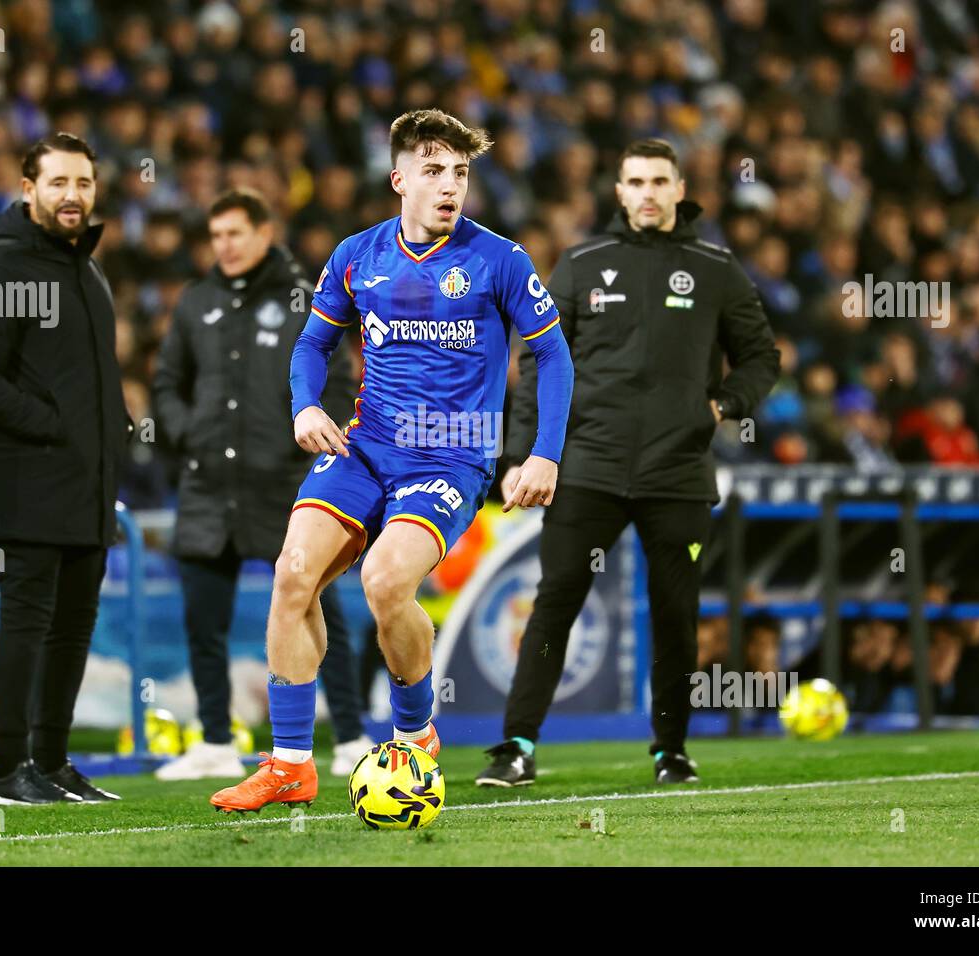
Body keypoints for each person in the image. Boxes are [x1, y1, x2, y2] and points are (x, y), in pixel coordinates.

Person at [210, 108, 574, 813]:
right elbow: (312, 344)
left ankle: (415, 733)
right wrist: (306, 407)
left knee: (383, 583)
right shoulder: (356, 255)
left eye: (461, 173)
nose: (450, 186)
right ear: (399, 179)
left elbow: (551, 353)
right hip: (366, 446)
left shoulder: (499, 259)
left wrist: (544, 455)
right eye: (434, 170)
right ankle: (290, 764)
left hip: (451, 460)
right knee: (292, 575)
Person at [477, 138, 779, 787]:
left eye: (658, 181)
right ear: (618, 191)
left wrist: (722, 406)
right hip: (588, 463)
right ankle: (516, 747)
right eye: (634, 180)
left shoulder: (715, 267)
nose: (646, 192)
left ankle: (671, 749)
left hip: (677, 471)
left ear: (678, 190)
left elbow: (762, 356)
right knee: (556, 601)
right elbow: (535, 362)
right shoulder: (582, 263)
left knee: (676, 613)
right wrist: (524, 454)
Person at [153, 188, 370, 780]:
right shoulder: (196, 301)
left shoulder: (306, 295)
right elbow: (167, 383)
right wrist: (187, 434)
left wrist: (311, 452)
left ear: (264, 232)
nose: (223, 245)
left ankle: (349, 734)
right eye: (216, 235)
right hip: (208, 488)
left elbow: (339, 379)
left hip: (286, 484)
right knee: (203, 621)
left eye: (235, 233)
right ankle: (216, 741)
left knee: (321, 608)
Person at [0, 133, 130, 805]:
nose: (72, 196)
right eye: (57, 183)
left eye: (83, 183)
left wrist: (106, 437)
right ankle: (5, 772)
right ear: (27, 188)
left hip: (88, 484)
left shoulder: (84, 267)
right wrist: (57, 428)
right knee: (26, 622)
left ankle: (52, 763)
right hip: (32, 478)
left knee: (73, 626)